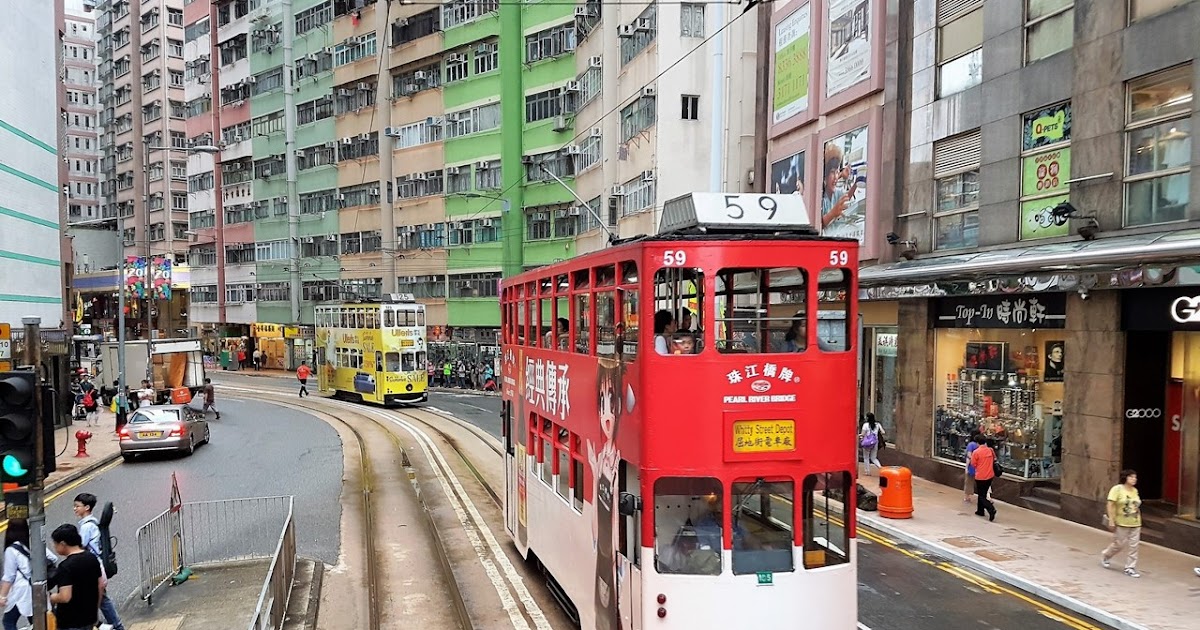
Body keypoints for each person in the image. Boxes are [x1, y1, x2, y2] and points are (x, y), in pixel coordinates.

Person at [74, 493, 123, 630]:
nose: (75, 509)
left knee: (94, 599)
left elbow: (81, 546)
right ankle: (116, 626)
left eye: (78, 506)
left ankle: (106, 625)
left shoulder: (86, 527)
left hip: (91, 567)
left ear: (87, 507)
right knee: (102, 599)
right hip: (97, 565)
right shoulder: (93, 522)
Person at [0, 519, 56, 630]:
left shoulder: (11, 550)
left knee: (8, 621)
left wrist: (3, 596)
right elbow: (52, 558)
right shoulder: (33, 543)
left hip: (21, 591)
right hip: (38, 587)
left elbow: (9, 576)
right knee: (36, 618)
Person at [48, 523, 103, 630]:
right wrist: (95, 611)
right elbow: (100, 586)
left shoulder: (65, 567)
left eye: (55, 544)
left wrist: (51, 597)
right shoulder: (91, 558)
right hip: (89, 617)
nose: (54, 547)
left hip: (70, 621)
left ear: (63, 544)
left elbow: (65, 597)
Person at [1102, 469, 1142, 578]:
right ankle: (1106, 555)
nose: (1134, 479)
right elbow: (1110, 504)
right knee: (1118, 544)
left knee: (1134, 546)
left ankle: (1130, 567)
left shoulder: (1134, 491)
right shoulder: (1117, 489)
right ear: (1125, 478)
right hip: (1121, 522)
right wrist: (1111, 519)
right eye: (1131, 477)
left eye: (1135, 477)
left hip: (1135, 521)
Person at [968, 435, 997, 521]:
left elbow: (973, 463)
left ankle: (991, 509)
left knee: (981, 495)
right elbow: (995, 459)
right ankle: (980, 510)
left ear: (977, 443)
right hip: (990, 475)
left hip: (980, 476)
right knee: (983, 493)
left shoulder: (976, 452)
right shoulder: (990, 450)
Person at [964, 434, 981, 503]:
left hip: (972, 465)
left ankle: (967, 496)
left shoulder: (971, 445)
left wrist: (967, 466)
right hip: (979, 466)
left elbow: (969, 455)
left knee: (969, 481)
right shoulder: (982, 446)